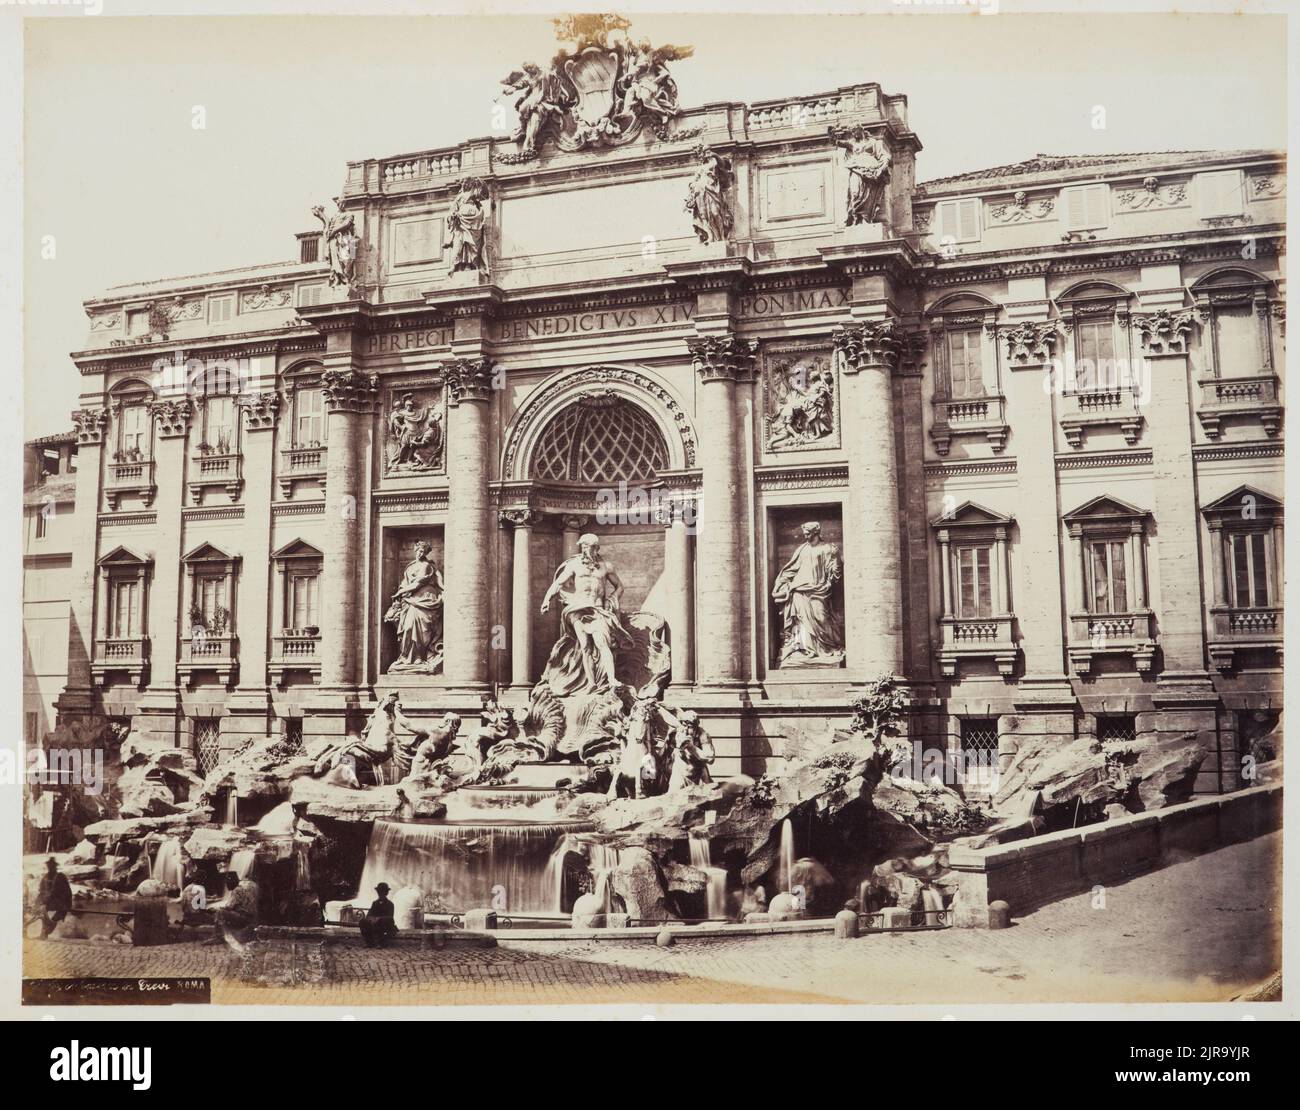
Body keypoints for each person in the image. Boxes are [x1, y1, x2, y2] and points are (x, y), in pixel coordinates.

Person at [539, 533, 632, 696]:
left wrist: (613, 598)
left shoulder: (606, 567)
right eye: (582, 546)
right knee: (586, 647)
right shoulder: (574, 565)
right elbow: (558, 583)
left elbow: (620, 587)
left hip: (597, 609)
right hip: (578, 609)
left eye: (587, 547)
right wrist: (547, 599)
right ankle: (591, 683)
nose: (584, 550)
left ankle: (611, 679)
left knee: (602, 642)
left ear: (596, 548)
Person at [772, 521, 845, 666]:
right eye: (804, 533)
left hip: (819, 590)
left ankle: (826, 648)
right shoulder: (802, 549)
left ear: (816, 533)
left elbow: (836, 572)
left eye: (807, 533)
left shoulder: (828, 549)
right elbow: (791, 569)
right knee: (800, 622)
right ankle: (803, 650)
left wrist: (835, 561)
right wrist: (781, 583)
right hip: (799, 590)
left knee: (821, 617)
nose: (805, 536)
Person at [206, 870, 259, 950]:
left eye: (227, 883)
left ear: (232, 882)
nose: (227, 886)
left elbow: (229, 907)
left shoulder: (236, 890)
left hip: (244, 918)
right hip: (251, 917)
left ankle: (217, 936)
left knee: (220, 912)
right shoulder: (245, 888)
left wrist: (214, 909)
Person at [37, 857, 73, 938]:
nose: (50, 868)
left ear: (55, 867)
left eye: (52, 867)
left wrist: (68, 904)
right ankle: (44, 931)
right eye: (49, 867)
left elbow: (67, 891)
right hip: (47, 902)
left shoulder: (60, 877)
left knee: (57, 914)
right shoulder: (45, 877)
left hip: (59, 901)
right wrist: (40, 901)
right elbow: (41, 890)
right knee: (42, 911)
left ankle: (47, 930)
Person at [359, 883, 398, 948]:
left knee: (381, 922)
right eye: (379, 892)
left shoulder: (390, 904)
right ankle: (369, 942)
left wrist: (379, 918)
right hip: (374, 922)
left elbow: (390, 917)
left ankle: (381, 943)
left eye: (382, 892)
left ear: (386, 893)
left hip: (386, 923)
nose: (380, 894)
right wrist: (371, 918)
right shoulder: (375, 903)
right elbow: (369, 914)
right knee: (363, 922)